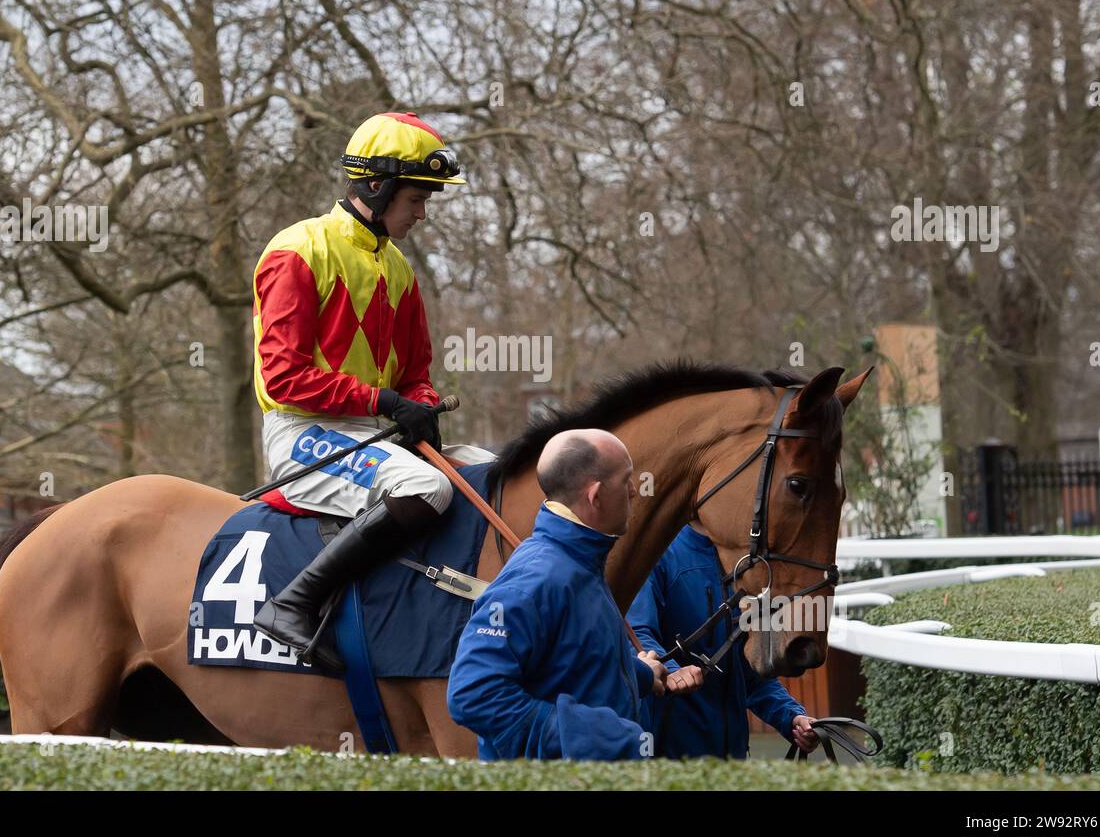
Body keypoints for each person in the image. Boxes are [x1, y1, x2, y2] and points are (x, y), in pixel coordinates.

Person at [250, 111, 480, 671]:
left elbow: (414, 374)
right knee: (427, 488)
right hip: (303, 430)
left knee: (486, 471)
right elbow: (283, 377)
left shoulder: (397, 269)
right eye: (416, 199)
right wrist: (383, 403)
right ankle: (293, 603)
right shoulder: (299, 249)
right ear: (376, 187)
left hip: (378, 432)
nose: (423, 213)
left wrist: (420, 406)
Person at [447, 429, 672, 760]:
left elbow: (575, 658)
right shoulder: (536, 578)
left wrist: (640, 674)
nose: (635, 490)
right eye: (626, 480)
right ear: (595, 496)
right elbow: (472, 694)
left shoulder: (580, 560)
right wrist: (594, 737)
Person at [628, 521, 821, 759]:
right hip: (669, 758)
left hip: (732, 760)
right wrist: (670, 671)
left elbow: (750, 672)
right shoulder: (658, 553)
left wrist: (792, 717)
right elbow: (637, 633)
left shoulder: (747, 561)